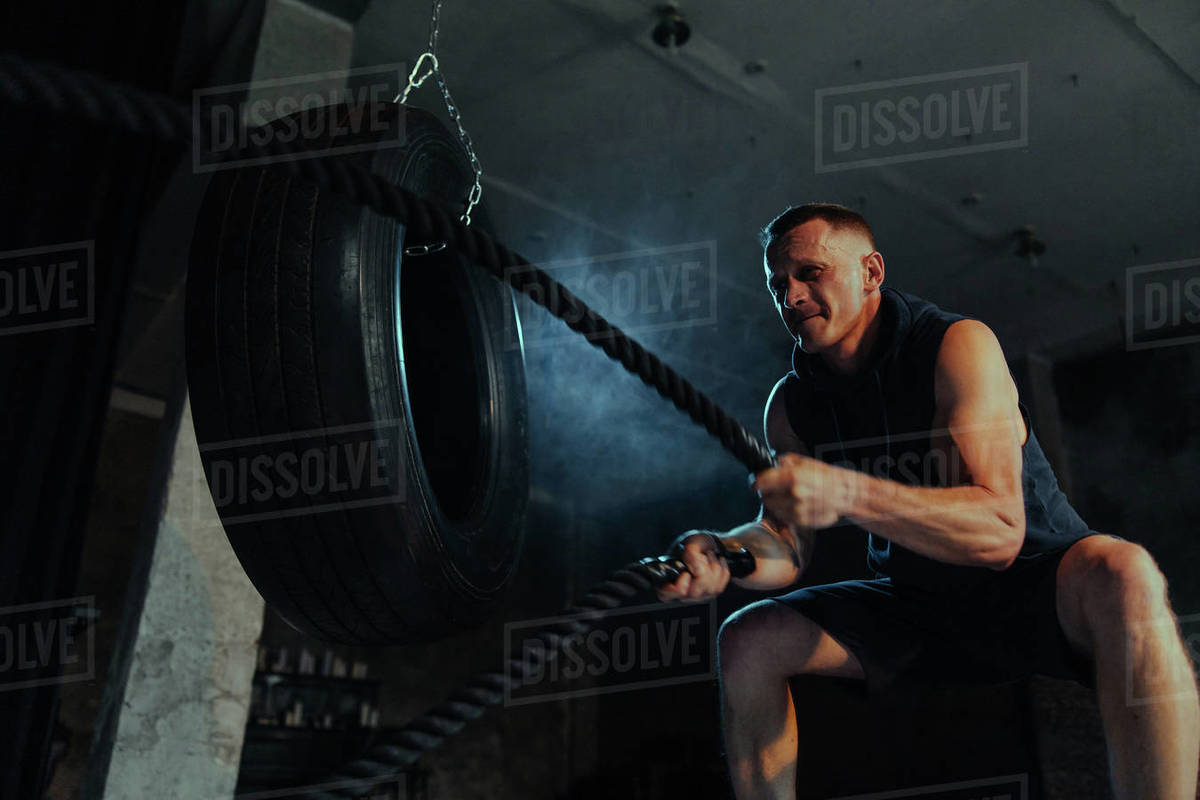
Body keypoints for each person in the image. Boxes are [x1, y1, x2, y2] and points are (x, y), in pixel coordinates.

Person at [656, 203, 1199, 800]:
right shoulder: (792, 406)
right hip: (918, 602)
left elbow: (998, 535)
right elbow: (784, 547)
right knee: (746, 639)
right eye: (778, 284)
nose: (792, 296)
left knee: (1126, 571)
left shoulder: (955, 345)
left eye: (811, 272)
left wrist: (846, 492)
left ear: (871, 271)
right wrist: (727, 554)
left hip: (1030, 581)